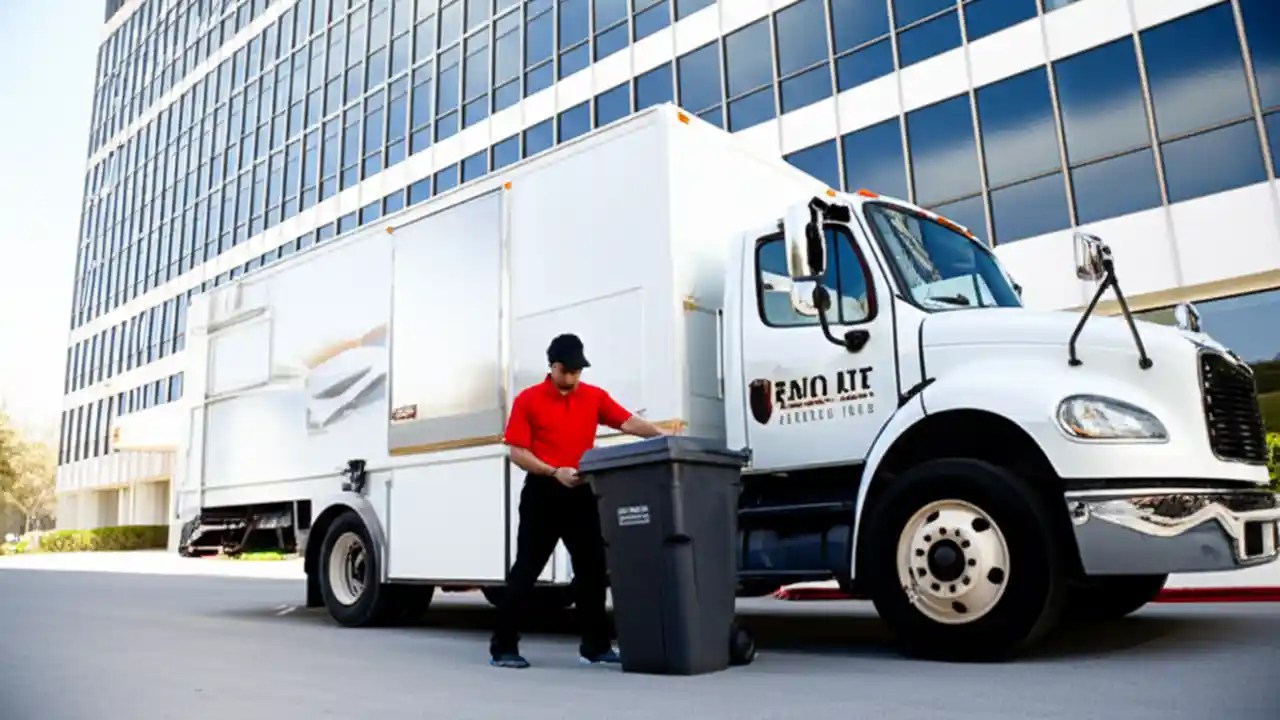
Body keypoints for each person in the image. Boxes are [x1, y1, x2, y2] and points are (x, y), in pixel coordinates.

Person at [489, 333, 667, 669]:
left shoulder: (593, 396)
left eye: (577, 371)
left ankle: (595, 646)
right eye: (566, 371)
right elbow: (518, 452)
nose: (571, 377)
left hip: (582, 493)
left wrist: (661, 437)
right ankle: (503, 647)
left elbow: (626, 421)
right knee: (527, 569)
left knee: (593, 569)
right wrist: (554, 471)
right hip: (544, 492)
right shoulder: (529, 400)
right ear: (552, 366)